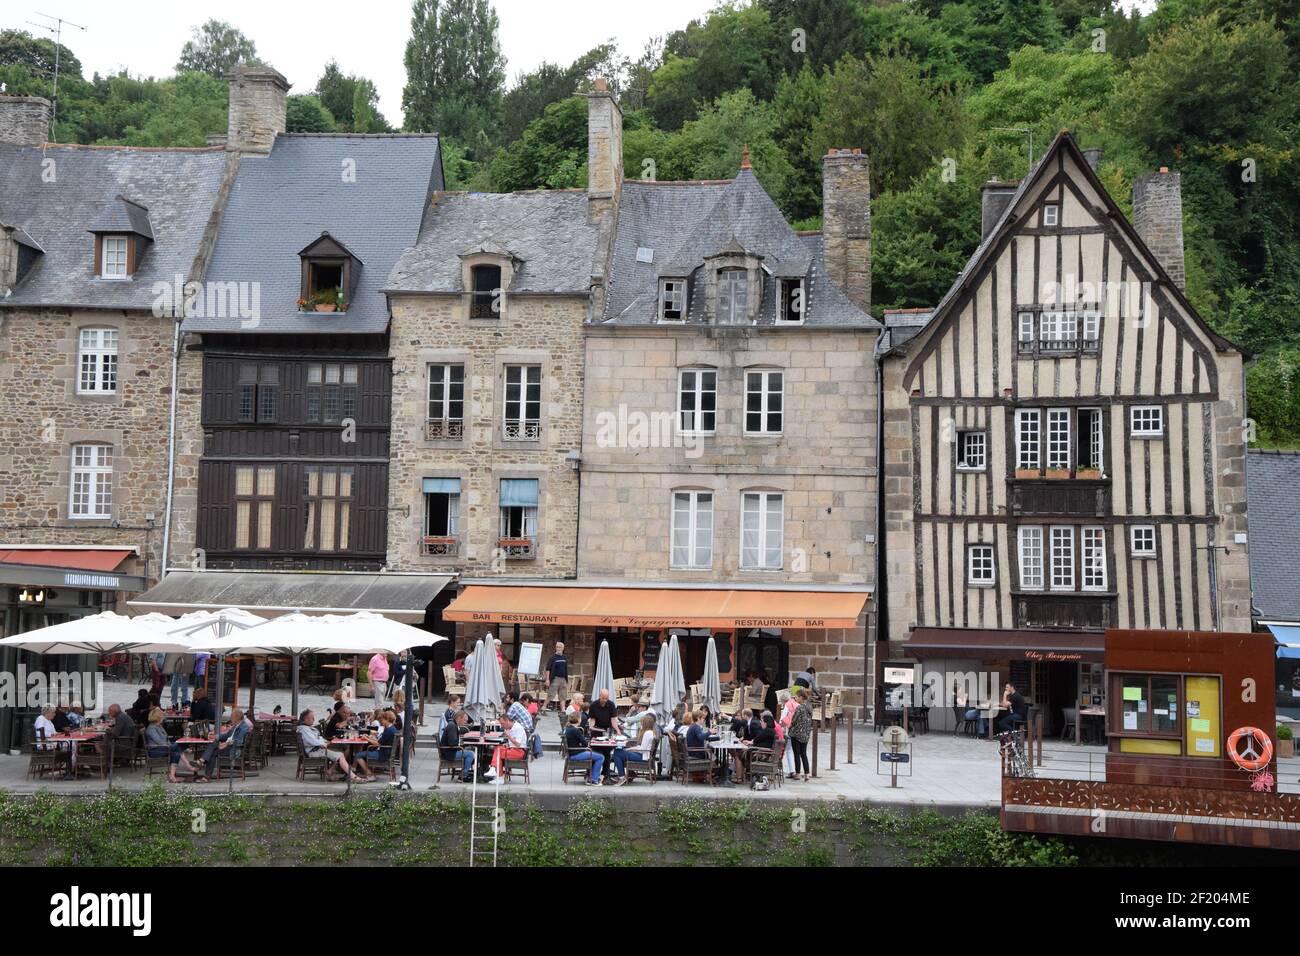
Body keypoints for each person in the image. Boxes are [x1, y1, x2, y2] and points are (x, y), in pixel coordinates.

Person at [297, 709, 360, 781]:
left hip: (318, 749)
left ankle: (331, 771)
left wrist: (326, 742)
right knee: (340, 755)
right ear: (306, 719)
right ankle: (353, 776)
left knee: (343, 748)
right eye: (312, 718)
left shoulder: (306, 728)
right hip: (314, 751)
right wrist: (324, 744)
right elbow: (313, 741)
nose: (314, 719)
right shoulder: (304, 729)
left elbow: (318, 739)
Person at [144, 707, 202, 782]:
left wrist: (170, 745)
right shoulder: (151, 728)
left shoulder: (159, 727)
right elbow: (159, 742)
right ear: (158, 717)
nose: (163, 718)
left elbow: (166, 740)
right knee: (178, 745)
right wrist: (171, 745)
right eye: (162, 716)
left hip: (164, 748)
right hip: (155, 751)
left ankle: (172, 776)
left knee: (177, 753)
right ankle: (189, 766)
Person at [198, 708, 251, 781]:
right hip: (230, 748)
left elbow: (239, 741)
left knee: (213, 748)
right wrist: (216, 736)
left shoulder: (243, 727)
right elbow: (227, 735)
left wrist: (226, 744)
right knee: (213, 748)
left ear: (236, 717)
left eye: (231, 717)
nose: (230, 719)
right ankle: (206, 774)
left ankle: (202, 762)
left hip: (235, 750)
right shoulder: (236, 726)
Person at [352, 711, 397, 781]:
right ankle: (368, 773)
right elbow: (380, 741)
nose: (381, 722)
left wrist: (366, 738)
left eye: (383, 720)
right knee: (364, 751)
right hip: (387, 753)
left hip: (383, 754)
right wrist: (369, 738)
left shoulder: (388, 730)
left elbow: (378, 744)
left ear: (387, 719)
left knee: (358, 755)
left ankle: (370, 775)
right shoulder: (392, 728)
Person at [485, 713, 527, 784]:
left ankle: (498, 775)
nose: (502, 726)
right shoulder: (511, 728)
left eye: (502, 723)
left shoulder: (518, 728)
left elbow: (518, 744)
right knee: (497, 748)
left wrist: (508, 736)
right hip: (513, 749)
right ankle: (494, 769)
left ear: (507, 721)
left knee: (498, 753)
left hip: (519, 751)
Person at [562, 712, 604, 786]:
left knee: (594, 754)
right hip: (575, 754)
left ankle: (589, 776)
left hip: (571, 753)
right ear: (578, 720)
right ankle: (594, 780)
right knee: (601, 757)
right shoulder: (575, 730)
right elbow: (585, 743)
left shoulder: (568, 728)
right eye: (580, 718)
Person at [439, 709, 477, 782]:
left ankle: (465, 772)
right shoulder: (452, 726)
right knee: (471, 754)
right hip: (449, 753)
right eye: (465, 720)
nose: (465, 722)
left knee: (470, 751)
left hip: (449, 751)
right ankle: (463, 776)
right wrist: (460, 743)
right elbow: (452, 743)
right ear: (459, 718)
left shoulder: (453, 724)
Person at [617, 713, 656, 784]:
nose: (641, 724)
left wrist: (630, 749)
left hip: (643, 757)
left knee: (617, 753)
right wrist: (630, 749)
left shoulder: (647, 733)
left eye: (642, 723)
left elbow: (642, 749)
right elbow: (642, 747)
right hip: (645, 755)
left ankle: (622, 777)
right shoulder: (651, 732)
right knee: (620, 752)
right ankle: (626, 775)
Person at [787, 689, 813, 781]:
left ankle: (797, 773)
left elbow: (794, 721)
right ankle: (807, 774)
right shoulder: (809, 707)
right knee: (804, 754)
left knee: (797, 754)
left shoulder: (799, 708)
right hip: (805, 734)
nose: (795, 698)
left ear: (801, 697)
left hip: (797, 733)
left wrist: (789, 727)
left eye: (797, 697)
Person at [506, 693, 541, 759]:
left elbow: (506, 719)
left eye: (507, 698)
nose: (506, 699)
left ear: (512, 699)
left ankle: (508, 752)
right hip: (529, 731)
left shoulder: (515, 705)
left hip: (525, 732)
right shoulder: (520, 705)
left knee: (505, 732)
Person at [545, 642, 569, 712]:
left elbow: (565, 668)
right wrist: (547, 679)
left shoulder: (564, 657)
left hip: (563, 679)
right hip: (555, 678)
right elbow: (548, 669)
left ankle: (563, 709)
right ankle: (544, 707)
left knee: (563, 695)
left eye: (559, 647)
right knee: (551, 693)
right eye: (557, 647)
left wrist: (566, 679)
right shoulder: (552, 657)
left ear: (563, 648)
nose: (558, 648)